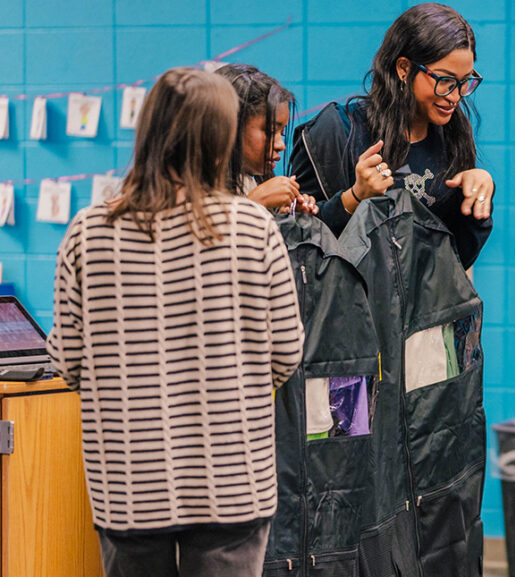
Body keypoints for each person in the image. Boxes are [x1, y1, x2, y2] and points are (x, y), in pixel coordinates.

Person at [46, 67, 304, 577]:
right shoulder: (254, 228)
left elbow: (68, 364)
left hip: (128, 485)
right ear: (222, 138)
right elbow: (286, 355)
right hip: (233, 480)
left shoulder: (89, 232)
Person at [291, 2, 492, 268]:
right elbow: (297, 239)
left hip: (426, 309)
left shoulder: (453, 134)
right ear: (404, 69)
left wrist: (477, 201)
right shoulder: (337, 130)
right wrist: (354, 197)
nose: (455, 96)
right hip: (352, 308)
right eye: (445, 80)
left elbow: (454, 265)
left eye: (465, 81)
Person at [215, 62, 317, 214]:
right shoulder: (187, 189)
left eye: (281, 133)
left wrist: (283, 217)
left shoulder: (251, 181)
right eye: (270, 131)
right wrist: (255, 203)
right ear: (230, 126)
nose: (281, 145)